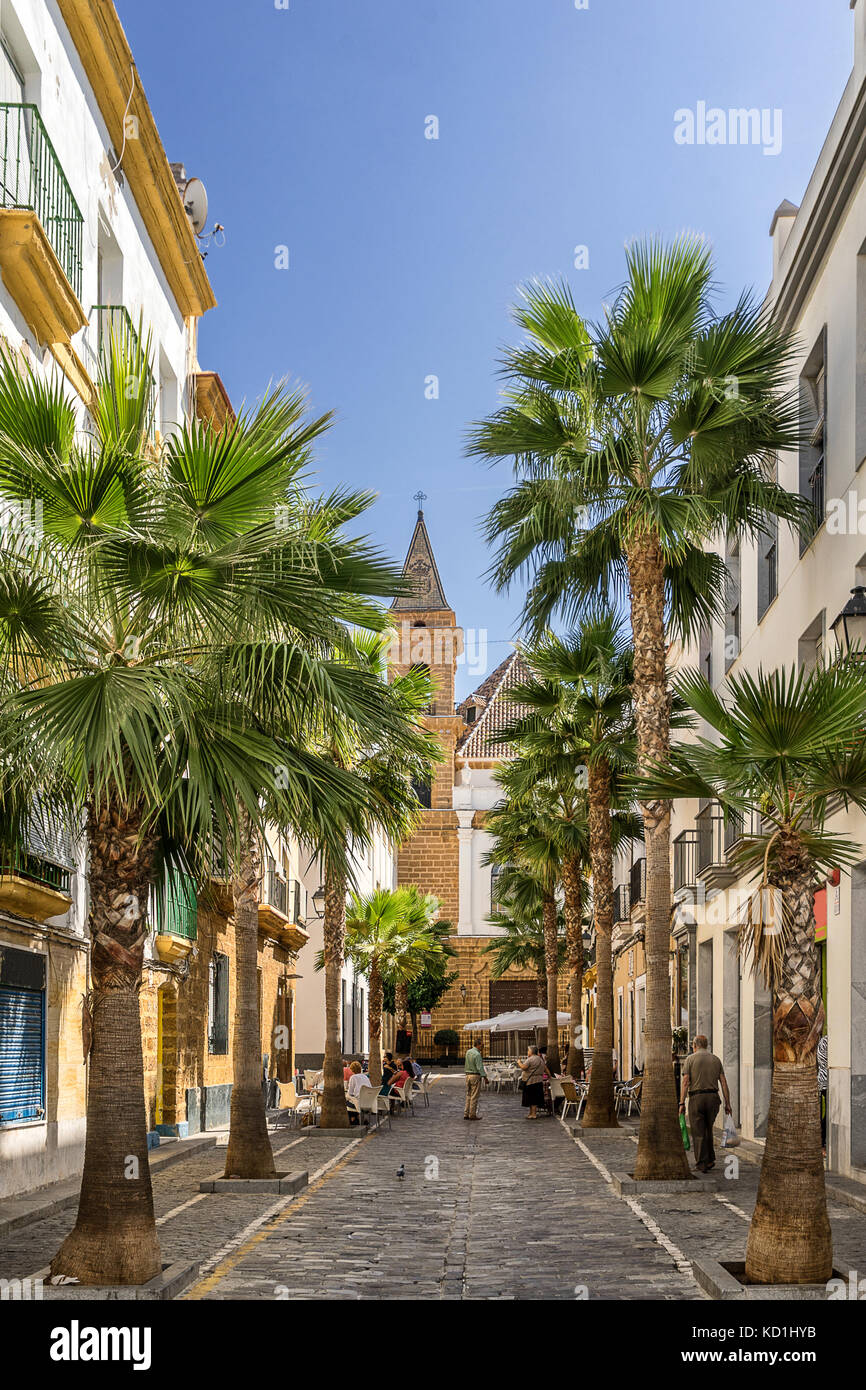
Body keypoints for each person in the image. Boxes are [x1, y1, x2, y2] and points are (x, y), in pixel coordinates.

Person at [679, 1035, 732, 1172]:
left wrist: (681, 1103)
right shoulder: (715, 1060)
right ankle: (710, 1160)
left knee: (698, 1132)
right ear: (706, 1045)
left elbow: (685, 1082)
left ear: (694, 1045)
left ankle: (702, 1163)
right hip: (713, 1098)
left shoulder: (690, 1059)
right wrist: (728, 1103)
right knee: (708, 1129)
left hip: (696, 1098)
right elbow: (724, 1083)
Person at [520, 1045, 546, 1120]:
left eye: (528, 1051)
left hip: (531, 1081)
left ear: (531, 1051)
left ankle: (533, 1114)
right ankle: (531, 1113)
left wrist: (519, 1063)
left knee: (532, 1098)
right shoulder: (540, 1059)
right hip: (538, 1080)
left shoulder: (530, 1059)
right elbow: (545, 1068)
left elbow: (524, 1067)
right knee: (533, 1098)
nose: (527, 1052)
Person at [464, 1042, 485, 1120]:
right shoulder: (477, 1054)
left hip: (467, 1075)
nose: (482, 1048)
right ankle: (472, 1114)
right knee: (474, 1096)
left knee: (468, 1095)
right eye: (482, 1046)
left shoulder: (468, 1052)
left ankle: (466, 1113)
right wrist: (485, 1077)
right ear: (478, 1045)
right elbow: (480, 1067)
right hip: (475, 1076)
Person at [817, 1033, 829, 1149]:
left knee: (827, 1114)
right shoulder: (825, 1041)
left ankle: (823, 1143)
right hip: (826, 1082)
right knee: (828, 1114)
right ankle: (822, 1143)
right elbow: (822, 1061)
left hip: (826, 1081)